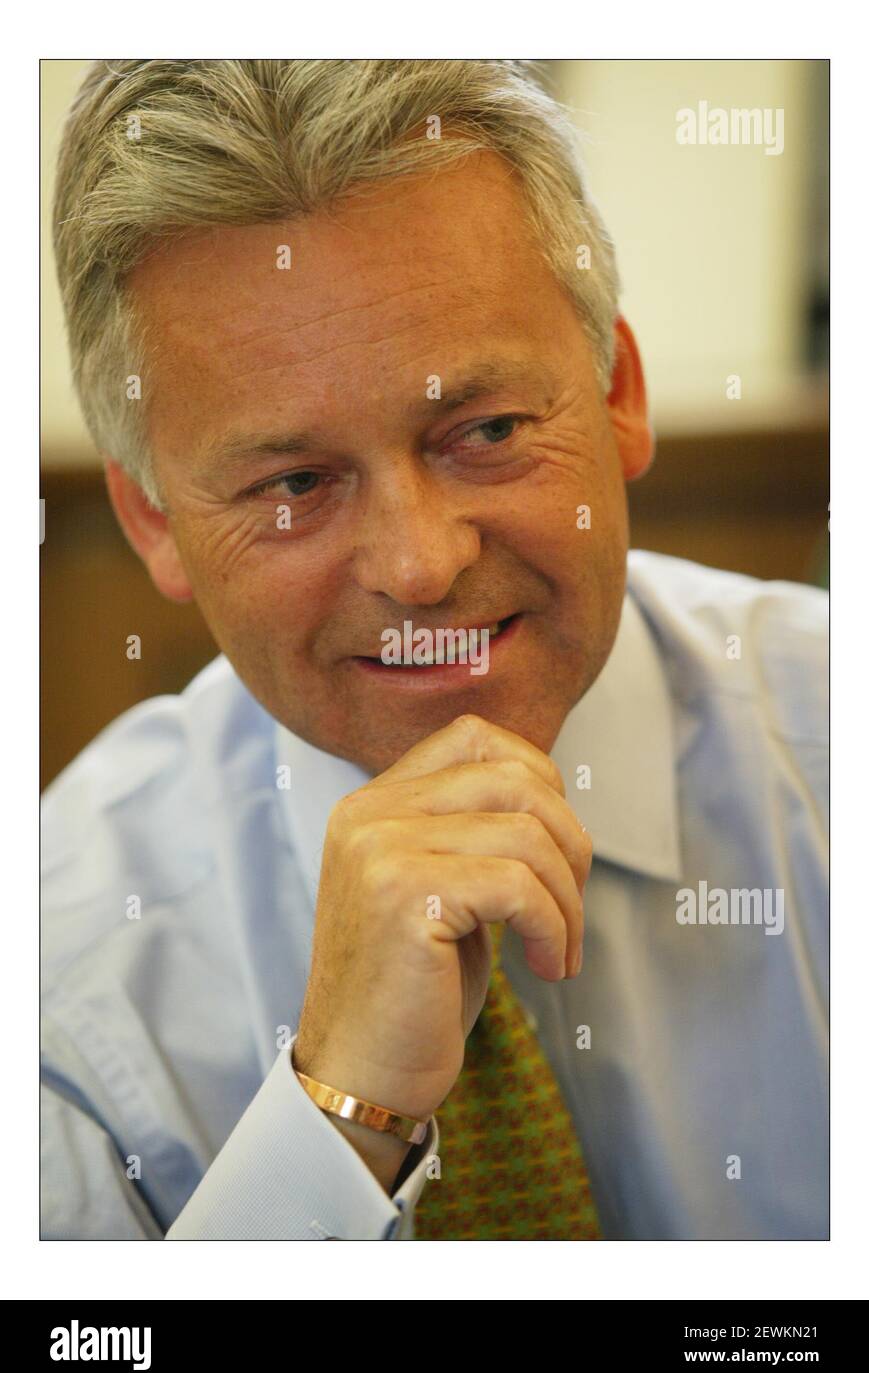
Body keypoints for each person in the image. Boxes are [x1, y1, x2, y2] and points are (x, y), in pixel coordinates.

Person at [42, 59, 828, 1240]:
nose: (418, 564)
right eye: (295, 483)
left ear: (616, 391)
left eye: (487, 430)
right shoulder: (57, 980)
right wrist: (334, 1123)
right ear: (154, 518)